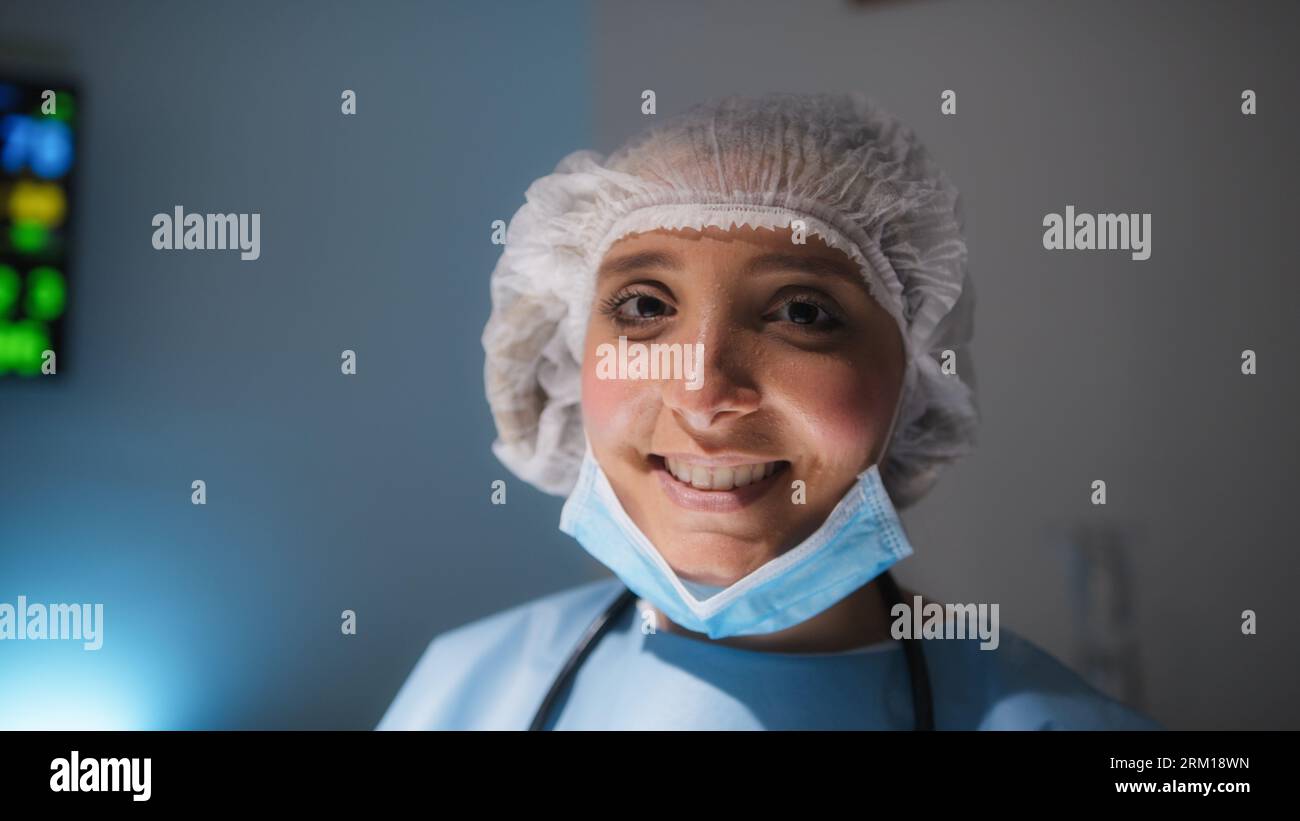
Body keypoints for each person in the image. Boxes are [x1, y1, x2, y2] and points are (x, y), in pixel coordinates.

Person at [378, 92, 1161, 730]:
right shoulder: (464, 689)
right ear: (569, 357)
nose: (702, 391)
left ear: (913, 377)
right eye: (645, 304)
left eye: (802, 311)